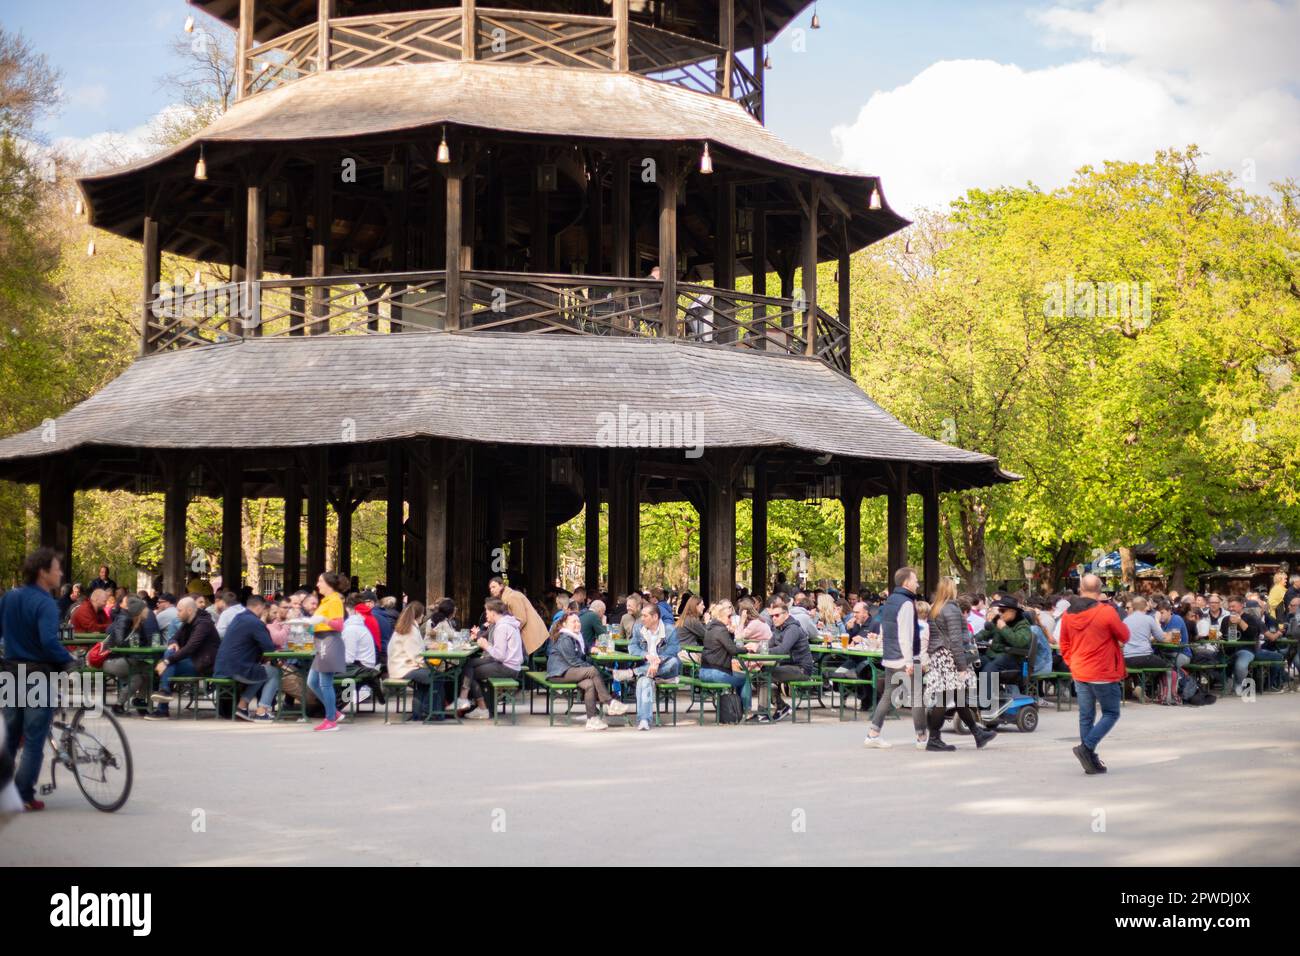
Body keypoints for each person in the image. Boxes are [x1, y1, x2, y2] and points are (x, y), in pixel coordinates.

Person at [0, 548, 73, 811]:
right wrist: (68, 661)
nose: (60, 573)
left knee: (9, 737)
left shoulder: (9, 597)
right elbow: (49, 641)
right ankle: (23, 795)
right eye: (57, 568)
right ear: (43, 572)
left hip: (9, 673)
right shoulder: (46, 604)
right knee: (33, 739)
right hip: (36, 677)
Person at [1058, 573, 1129, 774]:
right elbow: (1124, 635)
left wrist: (1072, 662)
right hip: (1103, 671)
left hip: (1080, 670)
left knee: (1086, 715)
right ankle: (1087, 748)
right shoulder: (1106, 612)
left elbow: (1064, 643)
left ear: (1080, 589)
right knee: (1111, 712)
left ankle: (1089, 759)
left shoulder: (1068, 614)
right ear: (1100, 592)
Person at [923, 577, 996, 750]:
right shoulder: (952, 609)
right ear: (951, 589)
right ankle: (934, 738)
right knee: (945, 698)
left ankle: (977, 734)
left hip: (939, 656)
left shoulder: (934, 608)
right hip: (950, 657)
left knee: (957, 697)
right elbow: (955, 640)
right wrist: (962, 666)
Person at [863, 568, 928, 749]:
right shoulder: (907, 603)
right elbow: (906, 634)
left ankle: (873, 733)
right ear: (906, 582)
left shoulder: (890, 601)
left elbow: (886, 628)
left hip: (891, 656)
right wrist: (909, 661)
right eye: (915, 580)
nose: (917, 583)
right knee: (917, 698)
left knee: (888, 695)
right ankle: (922, 737)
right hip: (905, 657)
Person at [545, 611, 627, 730]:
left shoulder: (575, 636)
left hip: (569, 671)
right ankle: (609, 702)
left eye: (578, 621)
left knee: (589, 684)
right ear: (564, 625)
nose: (577, 624)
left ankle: (592, 720)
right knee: (592, 671)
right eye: (574, 622)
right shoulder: (564, 638)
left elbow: (582, 649)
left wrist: (591, 649)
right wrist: (588, 669)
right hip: (558, 673)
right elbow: (573, 661)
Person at [146, 596, 221, 719]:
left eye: (180, 610)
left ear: (189, 611)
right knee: (170, 653)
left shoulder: (204, 624)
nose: (177, 613)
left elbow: (190, 648)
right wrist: (173, 643)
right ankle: (164, 693)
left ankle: (163, 705)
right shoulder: (188, 622)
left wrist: (166, 661)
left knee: (168, 664)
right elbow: (174, 637)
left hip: (205, 663)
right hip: (193, 660)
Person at [213, 595, 280, 721]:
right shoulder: (255, 622)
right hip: (238, 668)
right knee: (275, 672)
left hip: (223, 668)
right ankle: (262, 711)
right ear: (260, 607)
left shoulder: (238, 618)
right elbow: (269, 648)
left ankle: (242, 707)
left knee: (261, 671)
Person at [455, 598, 525, 719]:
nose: (486, 615)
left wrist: (485, 645)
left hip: (508, 667)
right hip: (509, 664)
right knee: (469, 663)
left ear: (493, 612)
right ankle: (464, 698)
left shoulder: (502, 627)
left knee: (469, 672)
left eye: (487, 612)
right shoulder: (508, 623)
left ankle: (481, 708)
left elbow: (500, 655)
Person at [627, 601, 680, 731]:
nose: (642, 619)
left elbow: (674, 649)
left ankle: (633, 672)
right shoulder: (639, 628)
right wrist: (645, 655)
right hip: (648, 668)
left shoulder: (669, 630)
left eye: (645, 616)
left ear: (655, 617)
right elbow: (632, 646)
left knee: (674, 662)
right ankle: (644, 720)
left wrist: (658, 660)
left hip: (665, 670)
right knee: (644, 681)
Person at [699, 599, 756, 720]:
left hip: (703, 672)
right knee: (745, 678)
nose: (730, 619)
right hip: (716, 672)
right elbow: (733, 650)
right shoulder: (721, 630)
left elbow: (726, 644)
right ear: (721, 616)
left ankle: (736, 709)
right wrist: (747, 648)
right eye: (729, 616)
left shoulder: (710, 628)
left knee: (738, 676)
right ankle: (747, 711)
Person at [304, 572, 347, 732]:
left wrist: (323, 620)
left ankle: (330, 719)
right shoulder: (327, 601)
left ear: (328, 583)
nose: (318, 584)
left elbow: (339, 625)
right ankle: (333, 712)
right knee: (313, 682)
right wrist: (309, 625)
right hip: (322, 641)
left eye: (320, 581)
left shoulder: (334, 600)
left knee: (324, 683)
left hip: (329, 641)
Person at [388, 602, 442, 721]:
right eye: (422, 614)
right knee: (436, 676)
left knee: (427, 676)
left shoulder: (406, 627)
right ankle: (429, 710)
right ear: (418, 615)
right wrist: (428, 665)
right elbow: (416, 656)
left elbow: (414, 649)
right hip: (404, 668)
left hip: (400, 666)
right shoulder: (411, 630)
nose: (423, 617)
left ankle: (420, 712)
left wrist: (427, 647)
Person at [765, 594, 814, 723]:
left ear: (786, 614)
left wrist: (761, 650)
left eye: (777, 615)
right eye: (772, 616)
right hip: (788, 666)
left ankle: (779, 708)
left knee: (766, 674)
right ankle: (778, 707)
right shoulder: (778, 629)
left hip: (802, 669)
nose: (774, 618)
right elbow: (769, 645)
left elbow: (782, 650)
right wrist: (756, 648)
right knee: (759, 674)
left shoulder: (793, 629)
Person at [100, 596, 152, 715]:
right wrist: (134, 645)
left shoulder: (137, 622)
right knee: (148, 670)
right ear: (138, 610)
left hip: (124, 659)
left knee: (140, 677)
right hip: (112, 661)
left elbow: (144, 642)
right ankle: (139, 701)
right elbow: (120, 641)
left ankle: (120, 705)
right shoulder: (125, 619)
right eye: (144, 609)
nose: (147, 612)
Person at [1120, 596, 1169, 700]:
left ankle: (1139, 688)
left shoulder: (1125, 620)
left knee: (1139, 667)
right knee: (1164, 664)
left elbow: (1122, 640)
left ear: (1133, 607)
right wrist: (1169, 636)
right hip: (1144, 656)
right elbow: (1161, 637)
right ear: (1145, 606)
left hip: (1127, 658)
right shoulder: (1149, 619)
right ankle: (1143, 687)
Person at [976, 597, 1034, 678]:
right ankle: (972, 690)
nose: (1000, 613)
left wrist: (1003, 628)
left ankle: (990, 691)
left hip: (1012, 658)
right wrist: (972, 639)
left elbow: (1019, 642)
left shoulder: (1023, 625)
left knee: (988, 672)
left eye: (1002, 611)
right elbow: (985, 634)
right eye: (999, 610)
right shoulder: (999, 621)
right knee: (974, 664)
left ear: (1013, 611)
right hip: (993, 655)